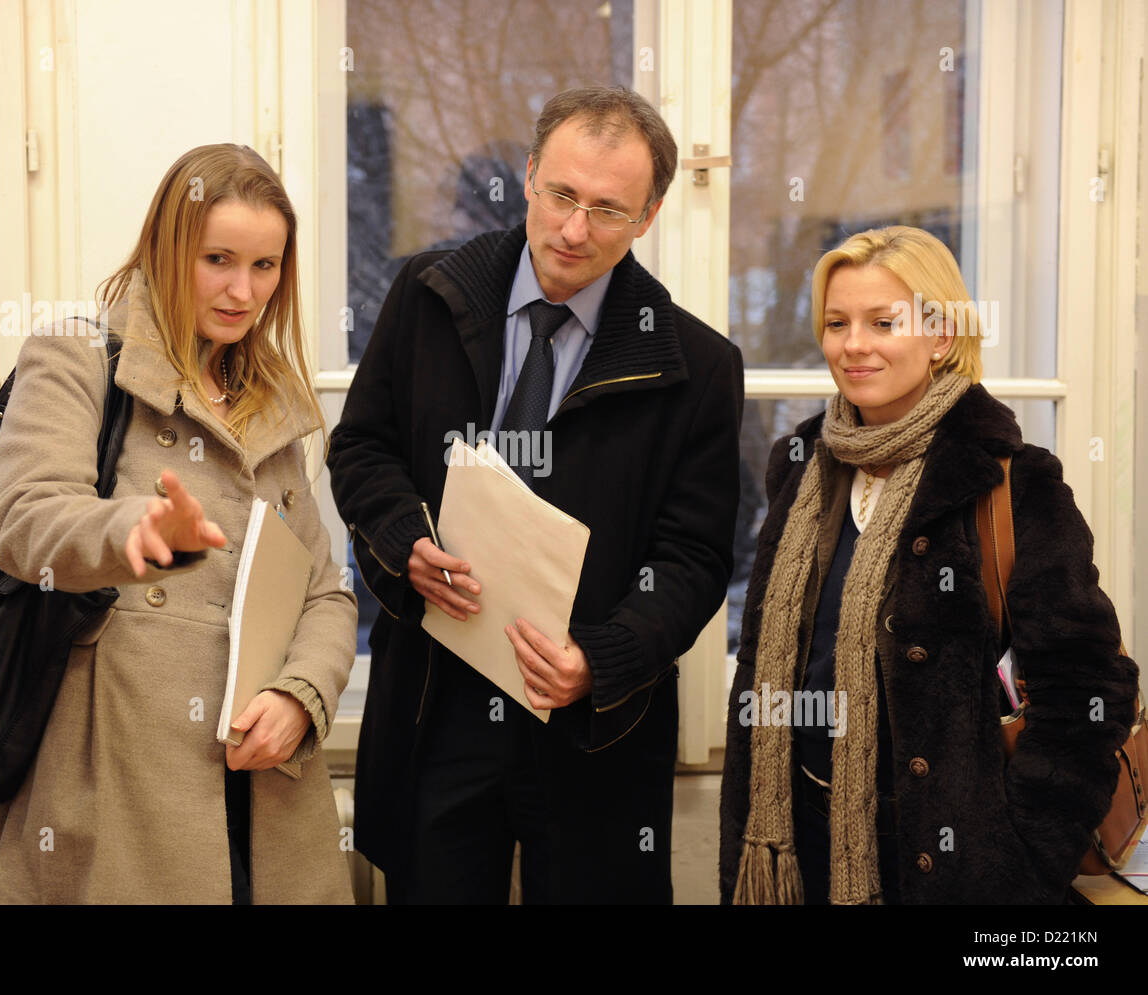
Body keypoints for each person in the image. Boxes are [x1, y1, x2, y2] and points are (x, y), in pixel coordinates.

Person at [327, 85, 745, 903]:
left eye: (608, 209)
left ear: (650, 216)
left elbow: (694, 557)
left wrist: (604, 656)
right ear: (527, 176)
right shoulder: (425, 295)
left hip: (593, 733)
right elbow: (362, 448)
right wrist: (405, 537)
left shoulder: (697, 365)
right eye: (560, 195)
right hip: (434, 704)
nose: (574, 230)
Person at [0, 144, 357, 904]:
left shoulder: (269, 398)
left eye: (266, 266)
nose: (244, 291)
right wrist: (136, 530)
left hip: (262, 799)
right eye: (219, 259)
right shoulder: (77, 358)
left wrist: (302, 695)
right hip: (113, 792)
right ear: (168, 248)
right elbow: (26, 524)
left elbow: (325, 594)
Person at [719, 225, 1139, 904]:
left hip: (945, 863)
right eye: (836, 322)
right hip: (795, 838)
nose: (853, 344)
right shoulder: (800, 467)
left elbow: (1089, 688)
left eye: (883, 322)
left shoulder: (1009, 482)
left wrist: (1021, 856)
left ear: (941, 336)